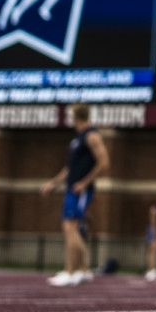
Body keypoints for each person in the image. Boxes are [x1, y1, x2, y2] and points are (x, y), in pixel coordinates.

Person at [40, 103, 109, 287]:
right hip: (72, 189)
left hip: (82, 190)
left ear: (76, 116)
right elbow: (70, 169)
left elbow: (104, 162)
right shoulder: (77, 139)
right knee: (70, 228)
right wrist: (52, 184)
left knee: (70, 228)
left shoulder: (91, 136)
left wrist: (84, 183)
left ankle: (72, 272)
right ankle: (83, 270)